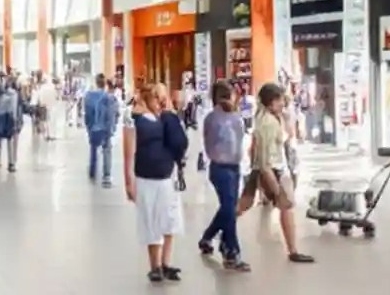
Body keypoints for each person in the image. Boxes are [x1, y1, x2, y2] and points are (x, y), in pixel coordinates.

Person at [238, 83, 314, 264]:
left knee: (243, 205)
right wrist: (273, 184)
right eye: (279, 100)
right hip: (271, 169)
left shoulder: (272, 118)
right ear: (270, 102)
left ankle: (215, 232)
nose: (283, 103)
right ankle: (293, 250)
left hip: (270, 168)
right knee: (285, 206)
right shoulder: (267, 123)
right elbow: (264, 158)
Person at [124, 83, 189, 283]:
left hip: (167, 176)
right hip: (146, 177)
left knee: (170, 220)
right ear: (146, 97)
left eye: (162, 97)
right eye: (157, 97)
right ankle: (155, 266)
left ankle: (165, 263)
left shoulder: (164, 117)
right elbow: (128, 152)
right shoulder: (134, 118)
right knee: (151, 221)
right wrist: (128, 181)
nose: (160, 101)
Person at [197, 79, 249, 271]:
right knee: (229, 210)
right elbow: (211, 141)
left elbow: (241, 139)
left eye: (230, 95)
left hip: (235, 166)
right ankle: (231, 251)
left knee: (228, 209)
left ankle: (208, 236)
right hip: (219, 167)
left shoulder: (237, 117)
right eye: (224, 96)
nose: (228, 99)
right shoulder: (212, 117)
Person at [83, 74, 119, 187]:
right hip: (105, 128)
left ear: (96, 82)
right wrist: (112, 127)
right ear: (105, 84)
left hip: (93, 127)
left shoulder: (88, 96)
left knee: (93, 149)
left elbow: (87, 114)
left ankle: (93, 171)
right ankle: (106, 176)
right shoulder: (109, 97)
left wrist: (88, 126)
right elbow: (112, 114)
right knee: (107, 150)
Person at [0, 78, 24, 172]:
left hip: (3, 121)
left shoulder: (2, 96)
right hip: (14, 121)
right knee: (12, 142)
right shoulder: (17, 95)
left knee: (1, 141)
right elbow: (20, 109)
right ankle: (12, 163)